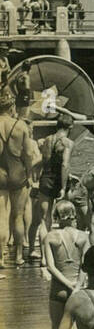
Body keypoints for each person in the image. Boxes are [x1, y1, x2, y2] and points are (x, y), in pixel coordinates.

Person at [0, 87, 42, 267]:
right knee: (17, 216)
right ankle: (18, 256)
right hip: (18, 174)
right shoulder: (21, 126)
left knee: (1, 216)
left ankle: (0, 257)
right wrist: (30, 175)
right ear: (12, 108)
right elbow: (28, 155)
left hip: (0, 173)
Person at [29, 112, 75, 264]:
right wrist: (63, 187)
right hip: (58, 180)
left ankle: (44, 258)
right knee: (67, 217)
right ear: (70, 126)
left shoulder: (47, 140)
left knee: (45, 220)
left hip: (45, 179)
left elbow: (43, 160)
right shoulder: (68, 143)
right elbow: (65, 164)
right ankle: (68, 252)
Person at [42, 200, 88, 329]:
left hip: (59, 289)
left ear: (56, 216)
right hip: (80, 289)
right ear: (74, 214)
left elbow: (50, 267)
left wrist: (67, 285)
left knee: (57, 328)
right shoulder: (83, 237)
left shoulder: (50, 237)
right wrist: (77, 286)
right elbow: (85, 266)